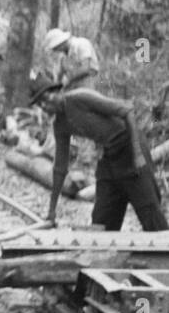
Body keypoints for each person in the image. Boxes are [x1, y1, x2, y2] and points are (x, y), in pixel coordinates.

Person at [30, 75, 167, 232]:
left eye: (46, 98)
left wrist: (137, 154)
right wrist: (52, 210)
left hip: (129, 145)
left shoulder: (80, 97)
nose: (45, 105)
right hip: (109, 155)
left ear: (58, 91)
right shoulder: (60, 125)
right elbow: (60, 167)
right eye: (40, 104)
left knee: (150, 212)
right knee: (102, 222)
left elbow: (127, 111)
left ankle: (162, 249)